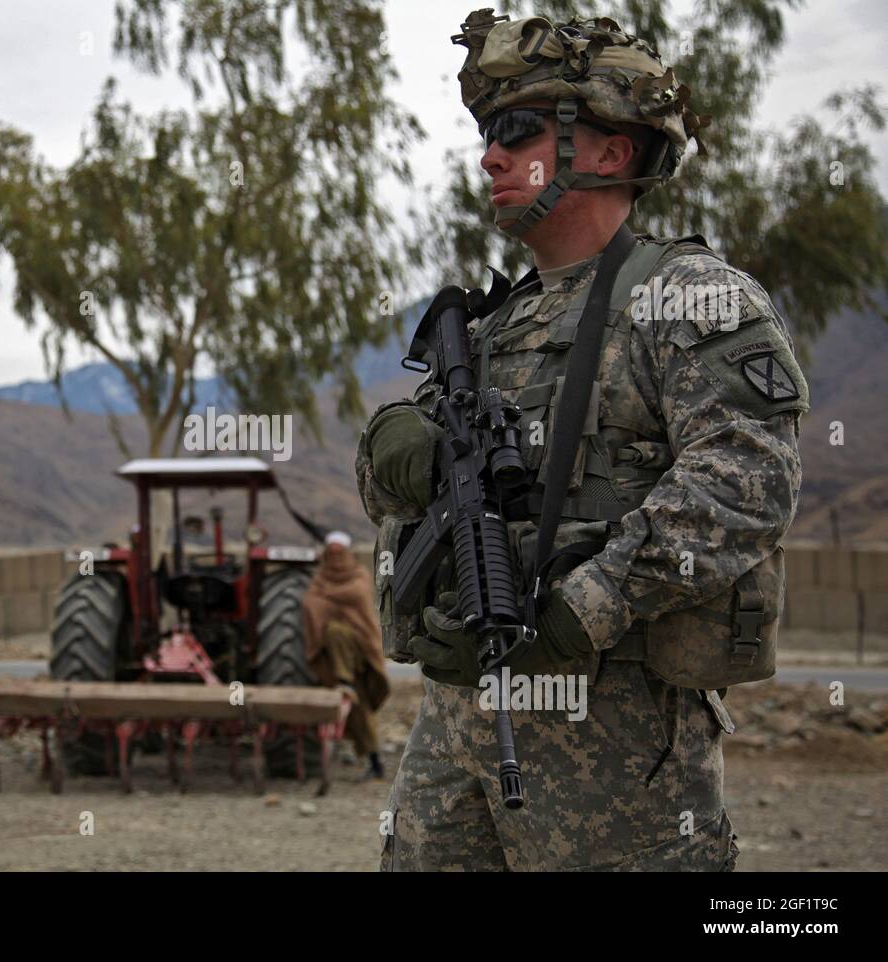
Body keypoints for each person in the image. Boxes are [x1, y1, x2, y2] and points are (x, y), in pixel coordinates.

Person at [356, 9, 808, 870]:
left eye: (518, 130)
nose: (490, 154)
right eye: (488, 133)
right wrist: (392, 454)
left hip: (614, 738)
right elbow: (398, 493)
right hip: (460, 724)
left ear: (610, 152)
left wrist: (582, 608)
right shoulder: (494, 321)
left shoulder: (687, 300)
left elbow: (745, 484)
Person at [302, 531, 391, 779]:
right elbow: (310, 604)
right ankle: (362, 759)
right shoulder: (321, 580)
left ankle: (375, 763)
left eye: (339, 553)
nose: (336, 559)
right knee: (349, 715)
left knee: (336, 630)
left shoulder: (359, 576)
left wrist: (328, 599)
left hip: (359, 662)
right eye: (331, 554)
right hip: (332, 661)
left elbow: (357, 597)